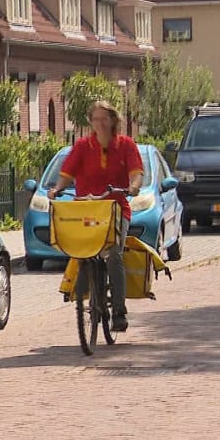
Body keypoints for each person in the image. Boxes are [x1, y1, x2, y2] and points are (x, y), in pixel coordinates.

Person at [48, 100, 144, 332]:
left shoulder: (126, 145)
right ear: (90, 122)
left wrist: (133, 186)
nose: (100, 123)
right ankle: (82, 294)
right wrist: (57, 188)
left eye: (104, 118)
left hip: (115, 208)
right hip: (86, 210)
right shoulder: (82, 146)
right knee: (82, 252)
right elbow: (67, 174)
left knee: (113, 255)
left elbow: (136, 173)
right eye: (96, 119)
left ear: (113, 121)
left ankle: (119, 311)